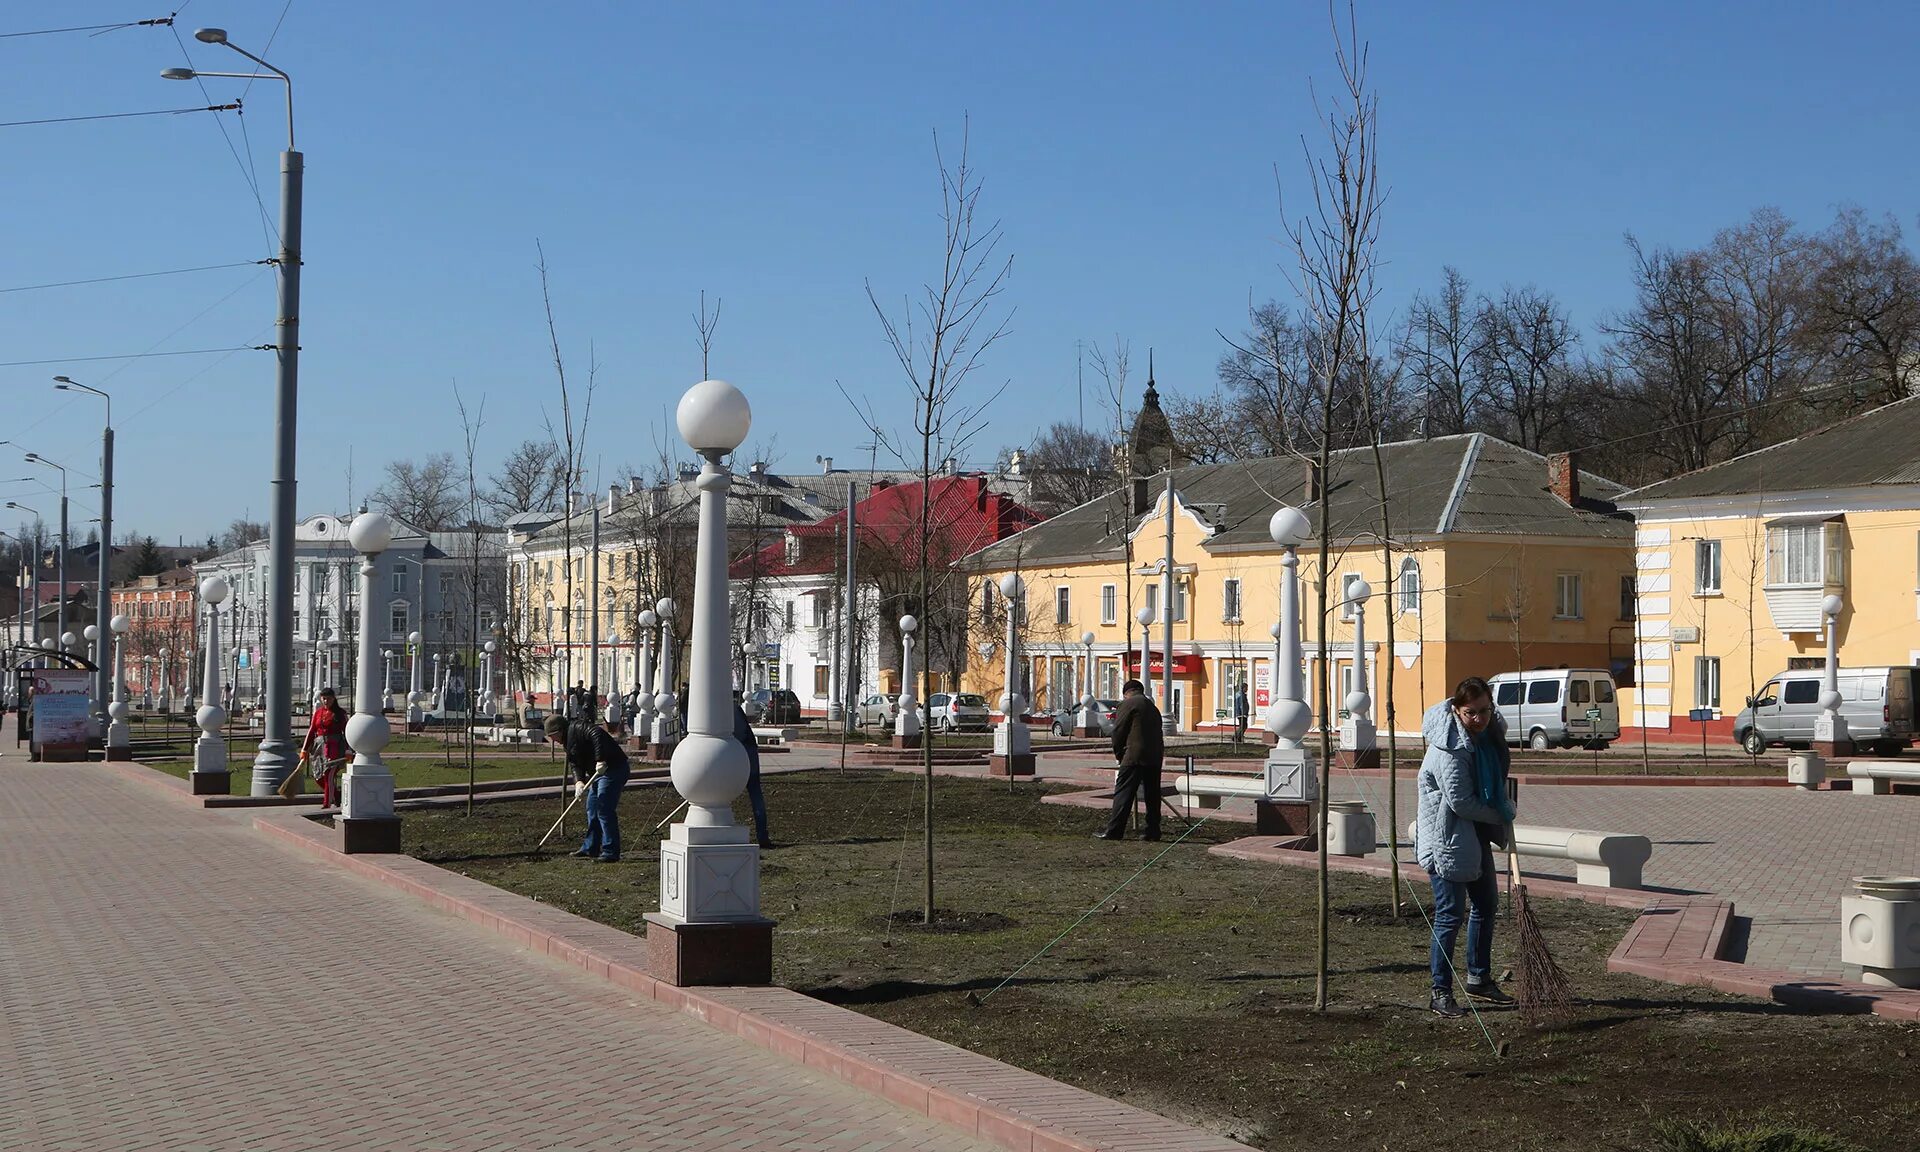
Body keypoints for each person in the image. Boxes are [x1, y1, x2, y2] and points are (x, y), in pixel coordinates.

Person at [1416, 675, 1518, 1018]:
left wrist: (1500, 805)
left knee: (1487, 904)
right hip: (1446, 840)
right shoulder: (1448, 747)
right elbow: (1460, 801)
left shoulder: (1486, 741)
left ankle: (1478, 977)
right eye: (1471, 712)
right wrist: (1501, 811)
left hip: (1473, 837)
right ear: (1457, 711)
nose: (1479, 718)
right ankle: (1440, 991)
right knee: (1449, 915)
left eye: (1485, 710)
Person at [545, 712, 630, 862]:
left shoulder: (579, 727)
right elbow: (575, 763)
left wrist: (600, 759)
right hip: (597, 774)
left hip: (613, 769)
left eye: (552, 736)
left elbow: (596, 734)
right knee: (592, 808)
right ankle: (591, 847)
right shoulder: (567, 742)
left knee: (604, 808)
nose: (553, 740)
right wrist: (578, 782)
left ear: (558, 731)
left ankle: (610, 851)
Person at [1099, 678, 1164, 841]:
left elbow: (1118, 731)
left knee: (1123, 793)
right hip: (1155, 757)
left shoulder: (1127, 704)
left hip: (1134, 756)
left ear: (1127, 693)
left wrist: (1119, 754)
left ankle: (1114, 831)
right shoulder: (1153, 708)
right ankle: (1153, 831)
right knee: (1152, 795)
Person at [732, 692, 773, 849]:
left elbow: (739, 734)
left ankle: (761, 836)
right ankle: (762, 835)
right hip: (748, 752)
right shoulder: (734, 708)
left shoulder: (726, 712)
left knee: (722, 793)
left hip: (742, 755)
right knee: (756, 795)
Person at [302, 686, 349, 807]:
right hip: (319, 747)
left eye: (328, 698)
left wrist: (349, 750)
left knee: (329, 774)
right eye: (324, 699)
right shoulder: (318, 713)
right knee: (318, 776)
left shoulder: (340, 714)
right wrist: (304, 749)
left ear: (333, 699)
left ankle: (327, 803)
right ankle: (337, 796)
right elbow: (312, 730)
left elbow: (348, 732)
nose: (326, 701)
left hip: (334, 747)